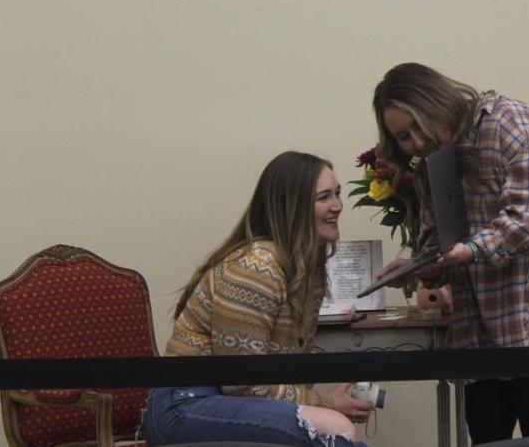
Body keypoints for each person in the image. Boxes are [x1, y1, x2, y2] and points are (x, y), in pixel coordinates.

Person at [372, 63, 529, 444]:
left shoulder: (511, 125)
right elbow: (443, 236)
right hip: (483, 320)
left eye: (415, 127)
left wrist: (472, 249)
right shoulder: (439, 156)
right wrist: (419, 264)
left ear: (434, 104)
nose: (414, 143)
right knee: (488, 438)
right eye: (403, 137)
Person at [141, 151, 373, 447]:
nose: (338, 205)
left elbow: (284, 375)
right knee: (335, 430)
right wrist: (327, 404)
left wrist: (324, 403)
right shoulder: (256, 268)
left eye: (337, 194)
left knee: (335, 430)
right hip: (184, 405)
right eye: (324, 197)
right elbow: (243, 384)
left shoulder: (307, 268)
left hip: (221, 398)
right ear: (292, 206)